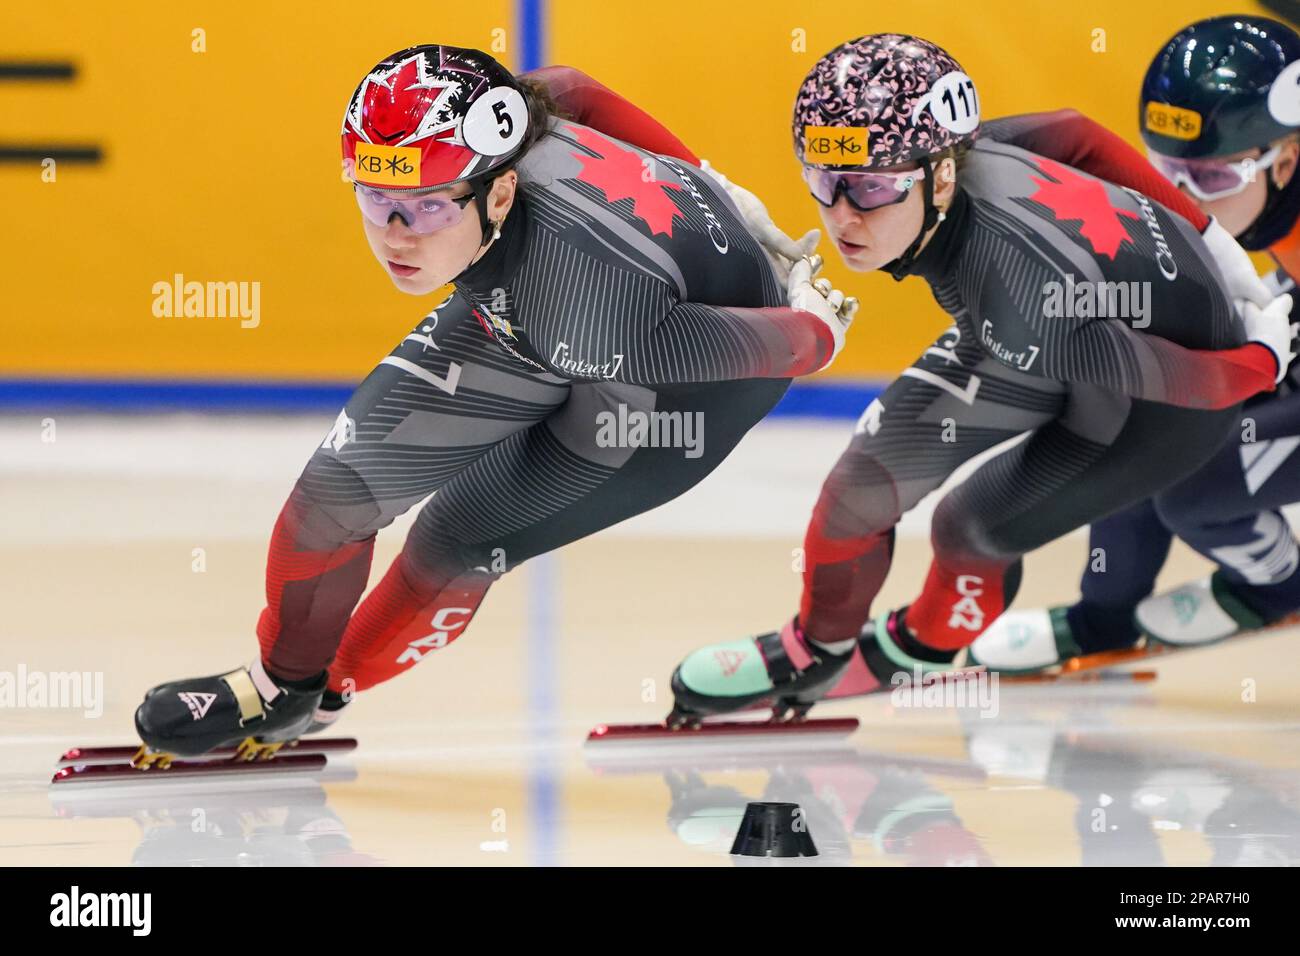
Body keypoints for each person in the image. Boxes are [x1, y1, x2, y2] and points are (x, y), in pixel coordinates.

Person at [132, 44, 855, 756]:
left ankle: (327, 694)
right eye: (376, 198)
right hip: (569, 290)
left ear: (501, 191)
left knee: (459, 537)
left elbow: (781, 350)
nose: (394, 235)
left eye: (424, 209)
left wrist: (816, 326)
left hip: (681, 386)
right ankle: (280, 687)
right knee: (336, 494)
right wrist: (713, 181)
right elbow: (569, 85)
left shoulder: (577, 308)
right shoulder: (508, 113)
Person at [667, 33, 1296, 721]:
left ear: (938, 178)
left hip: (1159, 400)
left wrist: (1264, 357)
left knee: (970, 527)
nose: (842, 215)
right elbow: (1078, 133)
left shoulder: (1018, 286)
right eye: (823, 182)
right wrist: (1206, 234)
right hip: (1059, 328)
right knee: (860, 487)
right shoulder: (969, 150)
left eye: (873, 188)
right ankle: (815, 649)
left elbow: (1199, 384)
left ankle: (915, 651)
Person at [973, 14, 1300, 670]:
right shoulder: (1263, 202)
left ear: (1286, 159)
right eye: (1166, 168)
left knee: (1197, 489)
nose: (1177, 197)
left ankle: (1280, 589)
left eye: (1210, 180)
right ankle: (1105, 621)